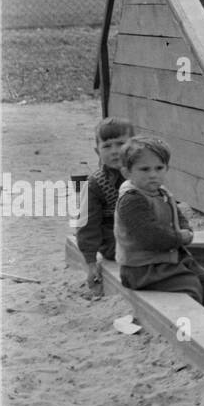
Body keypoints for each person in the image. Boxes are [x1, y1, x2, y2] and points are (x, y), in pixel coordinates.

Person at [113, 136, 204, 311]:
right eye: (144, 169)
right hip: (141, 269)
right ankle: (189, 329)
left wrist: (186, 229)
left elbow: (177, 214)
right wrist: (180, 238)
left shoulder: (160, 192)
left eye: (159, 168)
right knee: (190, 287)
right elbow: (151, 237)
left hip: (164, 259)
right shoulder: (132, 200)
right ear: (127, 172)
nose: (153, 174)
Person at [73, 116, 135, 300]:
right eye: (107, 146)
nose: (115, 152)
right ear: (97, 151)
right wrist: (91, 263)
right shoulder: (96, 184)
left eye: (121, 144)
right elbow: (87, 225)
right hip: (114, 241)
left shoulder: (141, 172)